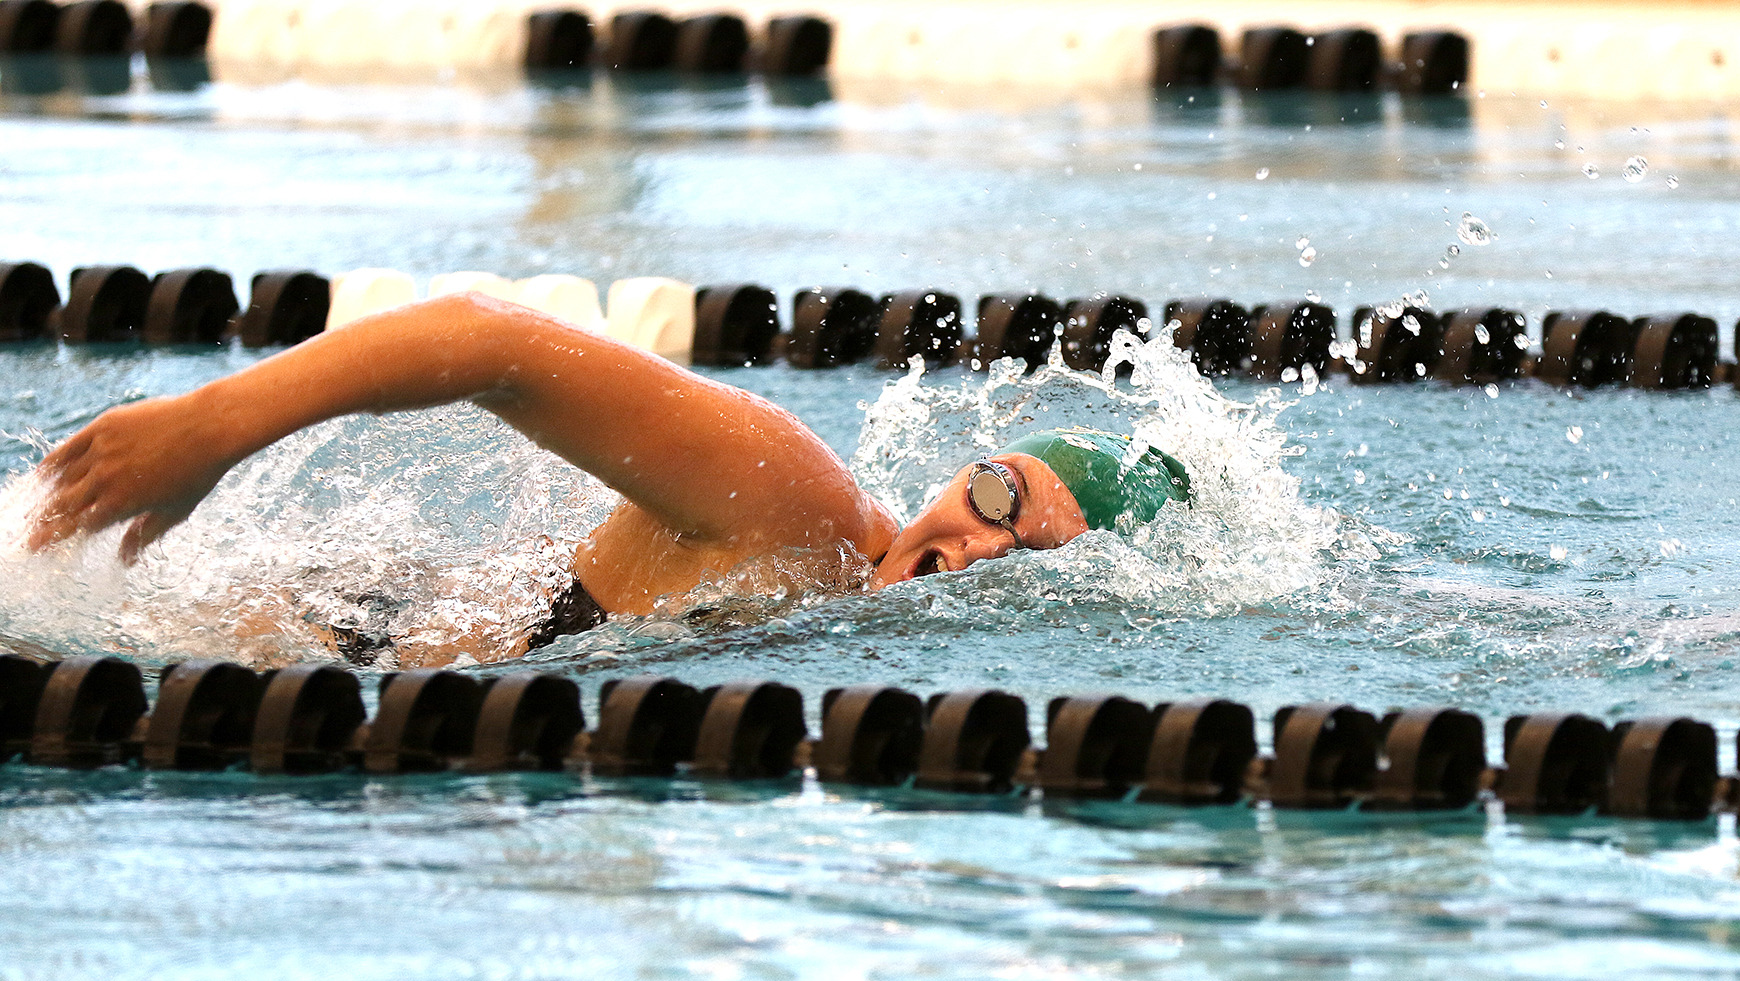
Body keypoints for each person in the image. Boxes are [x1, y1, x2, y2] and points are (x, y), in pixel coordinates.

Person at [26, 293, 1189, 653]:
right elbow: (492, 345)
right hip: (313, 635)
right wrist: (208, 428)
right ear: (968, 466)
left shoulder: (853, 617)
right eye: (1000, 496)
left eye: (1026, 553)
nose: (982, 544)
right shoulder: (798, 500)